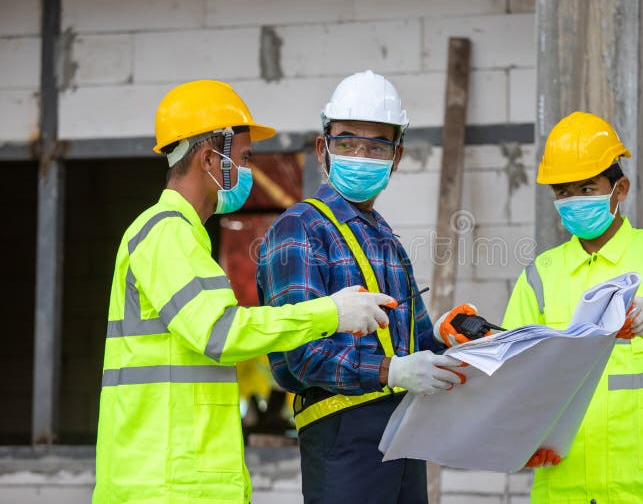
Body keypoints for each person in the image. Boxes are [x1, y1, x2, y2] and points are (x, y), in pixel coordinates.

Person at [93, 80, 395, 504]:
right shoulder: (166, 234)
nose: (251, 171)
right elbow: (221, 332)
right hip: (164, 483)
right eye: (246, 158)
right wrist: (330, 313)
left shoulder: (182, 237)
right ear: (209, 158)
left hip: (176, 476)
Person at [257, 70, 474, 504]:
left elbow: (418, 340)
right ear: (323, 148)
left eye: (376, 146)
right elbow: (298, 355)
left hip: (404, 432)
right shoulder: (301, 228)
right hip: (342, 439)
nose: (360, 154)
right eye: (347, 142)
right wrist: (390, 370)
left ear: (396, 158)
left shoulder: (385, 239)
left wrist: (467, 344)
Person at [503, 111, 643, 503]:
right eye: (563, 192)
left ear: (619, 189)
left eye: (587, 189)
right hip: (564, 488)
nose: (574, 201)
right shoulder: (541, 275)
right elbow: (510, 375)